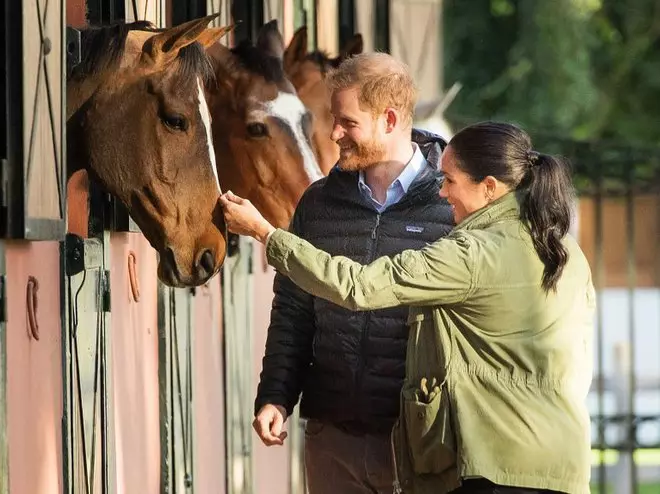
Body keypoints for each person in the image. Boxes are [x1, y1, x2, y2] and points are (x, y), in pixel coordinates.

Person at [220, 121, 595, 494]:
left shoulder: (472, 254)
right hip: (562, 465)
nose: (443, 193)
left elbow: (358, 286)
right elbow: (580, 360)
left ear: (490, 188)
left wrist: (265, 233)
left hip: (496, 466)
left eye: (449, 181)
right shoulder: (566, 252)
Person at [246, 52, 454, 494]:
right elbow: (293, 312)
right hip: (331, 437)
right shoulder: (318, 204)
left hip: (417, 441)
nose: (335, 133)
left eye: (348, 123)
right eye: (333, 119)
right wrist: (276, 397)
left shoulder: (450, 207)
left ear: (390, 119)